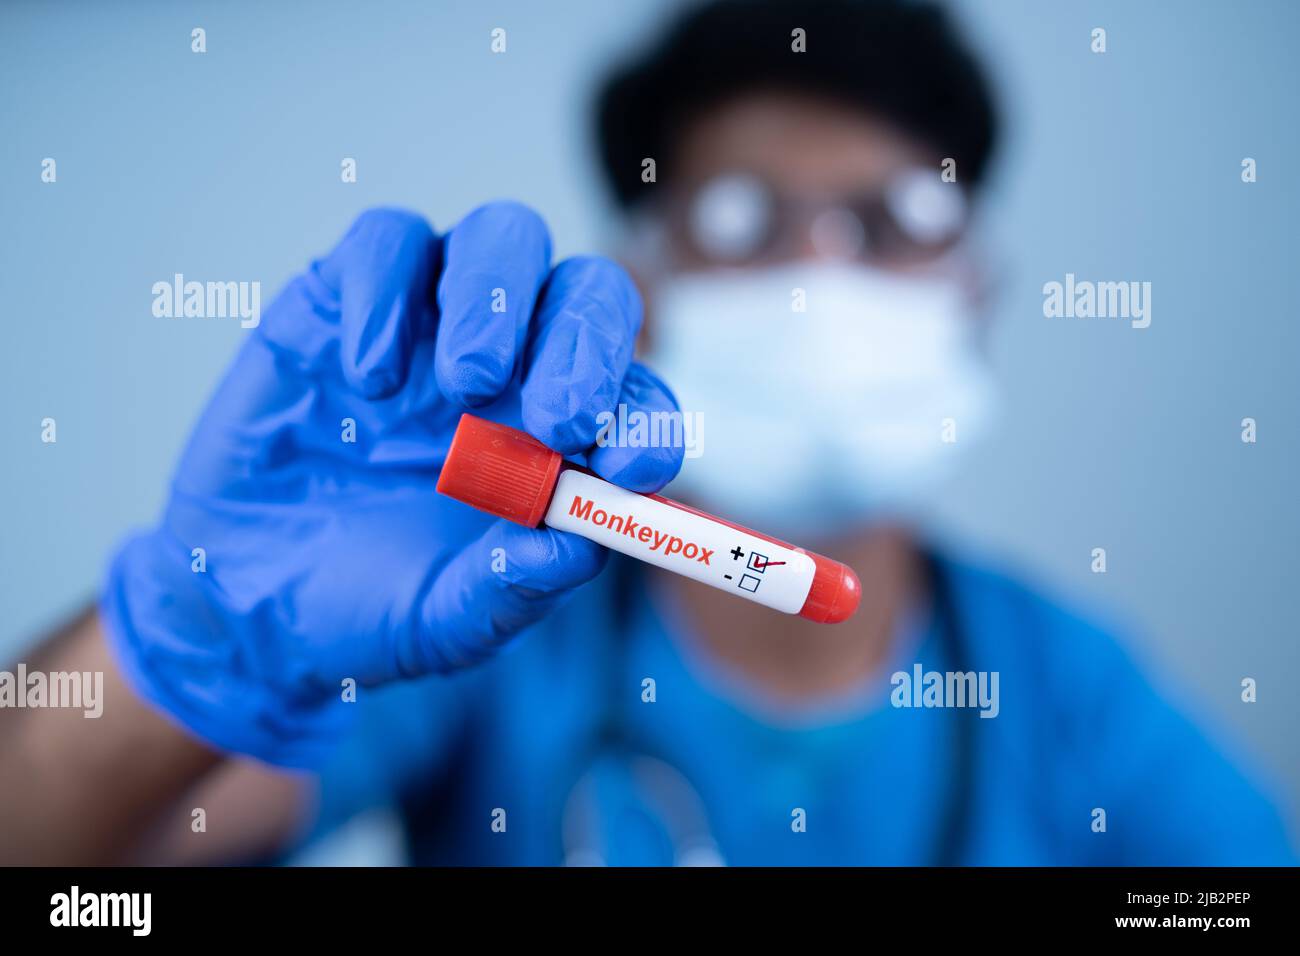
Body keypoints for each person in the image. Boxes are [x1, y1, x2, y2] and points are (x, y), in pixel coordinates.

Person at [0, 0, 1293, 866]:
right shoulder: (483, 618)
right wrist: (197, 639)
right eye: (740, 220)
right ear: (648, 287)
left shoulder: (1058, 681)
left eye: (893, 221)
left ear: (979, 291)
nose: (816, 276)